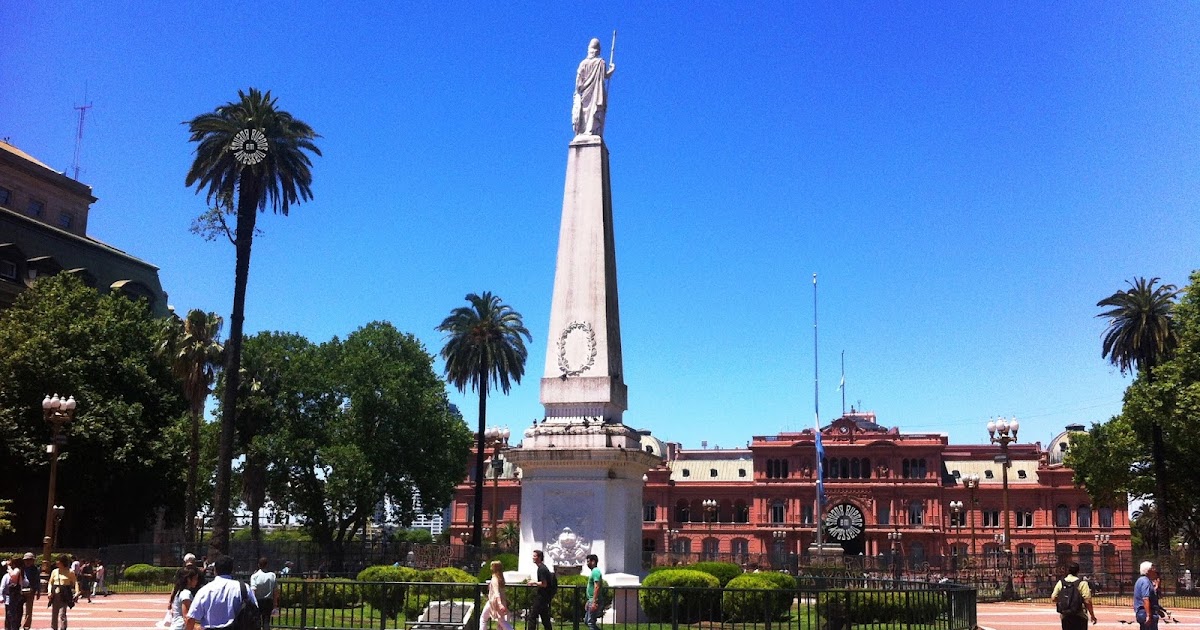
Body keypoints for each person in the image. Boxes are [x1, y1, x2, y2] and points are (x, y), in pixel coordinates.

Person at [185, 555, 257, 630]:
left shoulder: (204, 591)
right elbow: (255, 609)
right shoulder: (244, 588)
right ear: (232, 570)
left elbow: (191, 618)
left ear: (215, 570)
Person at [571, 38, 615, 137]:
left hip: (585, 92)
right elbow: (605, 76)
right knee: (594, 111)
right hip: (596, 93)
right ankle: (593, 131)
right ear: (598, 50)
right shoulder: (600, 62)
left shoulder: (583, 63)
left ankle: (583, 132)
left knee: (584, 111)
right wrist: (612, 70)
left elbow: (578, 80)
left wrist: (579, 89)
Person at [1050, 561, 1096, 629]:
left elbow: (1053, 598)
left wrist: (1064, 600)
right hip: (1080, 615)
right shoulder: (1082, 583)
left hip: (1065, 616)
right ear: (1078, 571)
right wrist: (1092, 615)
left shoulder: (1061, 582)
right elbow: (1087, 601)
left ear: (1068, 571)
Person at [526, 550, 555, 630]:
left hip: (541, 597)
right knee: (545, 618)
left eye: (535, 556)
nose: (533, 557)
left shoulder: (541, 569)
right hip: (544, 597)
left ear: (539, 558)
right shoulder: (542, 568)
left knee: (532, 616)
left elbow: (544, 584)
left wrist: (533, 582)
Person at [479, 561, 513, 630]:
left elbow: (496, 592)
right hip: (500, 601)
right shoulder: (501, 579)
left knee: (483, 619)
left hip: (494, 602)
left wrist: (500, 604)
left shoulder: (495, 579)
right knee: (501, 622)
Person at [47, 555, 78, 630]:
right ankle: (54, 628)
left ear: (63, 562)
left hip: (64, 594)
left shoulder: (70, 572)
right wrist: (49, 592)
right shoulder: (54, 571)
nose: (57, 563)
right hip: (55, 594)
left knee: (62, 613)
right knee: (54, 613)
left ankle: (63, 628)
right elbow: (50, 583)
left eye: (58, 561)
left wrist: (77, 592)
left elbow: (75, 582)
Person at [250, 557, 278, 630]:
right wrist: (275, 604)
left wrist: (252, 602)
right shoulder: (272, 575)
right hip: (269, 600)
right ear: (267, 565)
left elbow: (253, 590)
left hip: (258, 601)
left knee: (257, 621)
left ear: (258, 565)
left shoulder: (254, 576)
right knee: (266, 621)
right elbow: (275, 591)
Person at [2, 556, 28, 630]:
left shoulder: (17, 569)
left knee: (13, 612)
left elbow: (13, 576)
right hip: (15, 592)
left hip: (15, 592)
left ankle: (13, 627)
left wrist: (8, 567)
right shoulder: (20, 570)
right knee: (14, 611)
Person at [1134, 561, 1161, 630]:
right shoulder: (1145, 581)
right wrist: (1148, 615)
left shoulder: (1141, 580)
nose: (1154, 570)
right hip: (1145, 612)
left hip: (1142, 612)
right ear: (1148, 571)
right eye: (1152, 568)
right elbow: (1145, 598)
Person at [19, 553, 38, 630]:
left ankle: (26, 626)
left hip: (31, 591)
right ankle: (17, 623)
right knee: (18, 609)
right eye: (26, 560)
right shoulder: (20, 569)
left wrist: (38, 591)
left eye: (30, 560)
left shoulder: (35, 569)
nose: (28, 562)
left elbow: (37, 580)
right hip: (20, 591)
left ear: (33, 561)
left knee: (29, 610)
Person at [584, 554, 602, 630]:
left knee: (591, 622)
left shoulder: (596, 571)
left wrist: (594, 601)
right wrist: (589, 601)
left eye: (588, 561)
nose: (587, 563)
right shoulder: (593, 572)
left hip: (594, 600)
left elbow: (597, 586)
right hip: (591, 600)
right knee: (586, 621)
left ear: (593, 562)